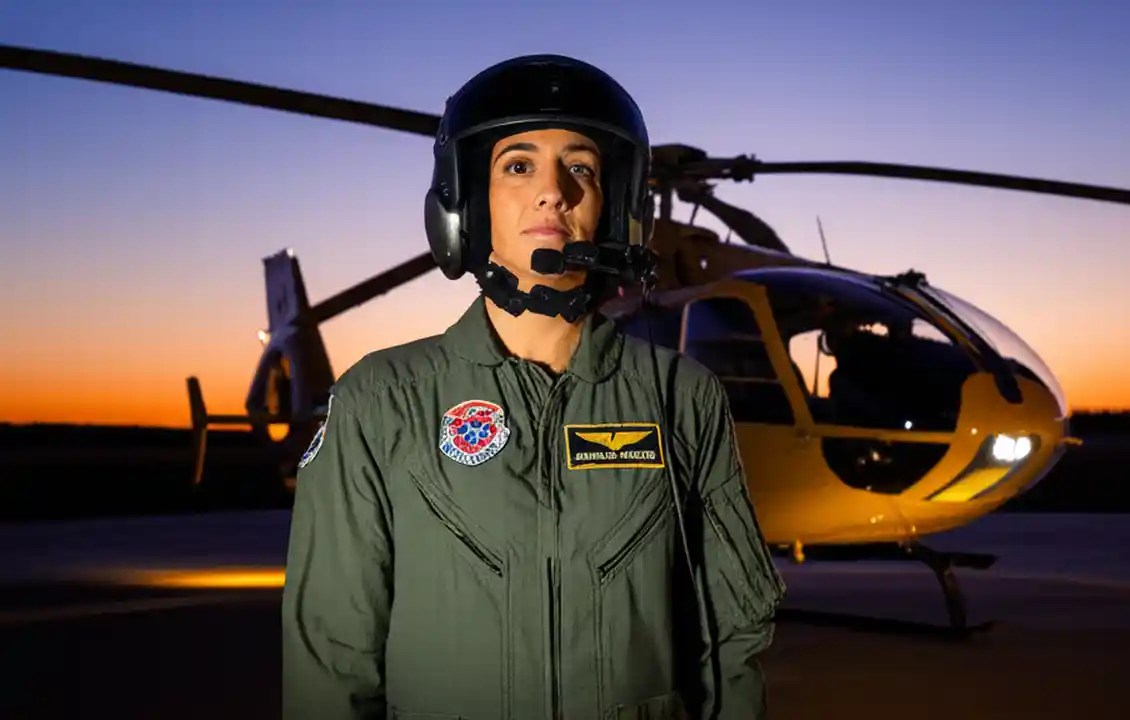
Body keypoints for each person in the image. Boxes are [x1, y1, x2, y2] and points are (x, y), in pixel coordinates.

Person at [281, 54, 786, 720]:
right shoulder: (382, 399)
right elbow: (331, 659)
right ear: (468, 202)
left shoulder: (680, 397)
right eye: (518, 166)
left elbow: (731, 638)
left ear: (614, 207)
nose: (554, 191)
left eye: (581, 167)